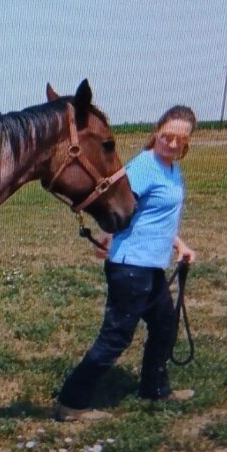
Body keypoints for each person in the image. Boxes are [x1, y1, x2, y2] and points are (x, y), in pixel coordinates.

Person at [54, 105, 198, 422]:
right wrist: (107, 240)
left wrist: (179, 244)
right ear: (156, 132)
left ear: (187, 143)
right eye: (167, 136)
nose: (172, 144)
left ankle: (155, 388)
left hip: (151, 266)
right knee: (115, 338)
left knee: (164, 325)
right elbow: (116, 207)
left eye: (180, 140)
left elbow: (158, 217)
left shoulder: (171, 167)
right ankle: (70, 402)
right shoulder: (145, 167)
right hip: (131, 266)